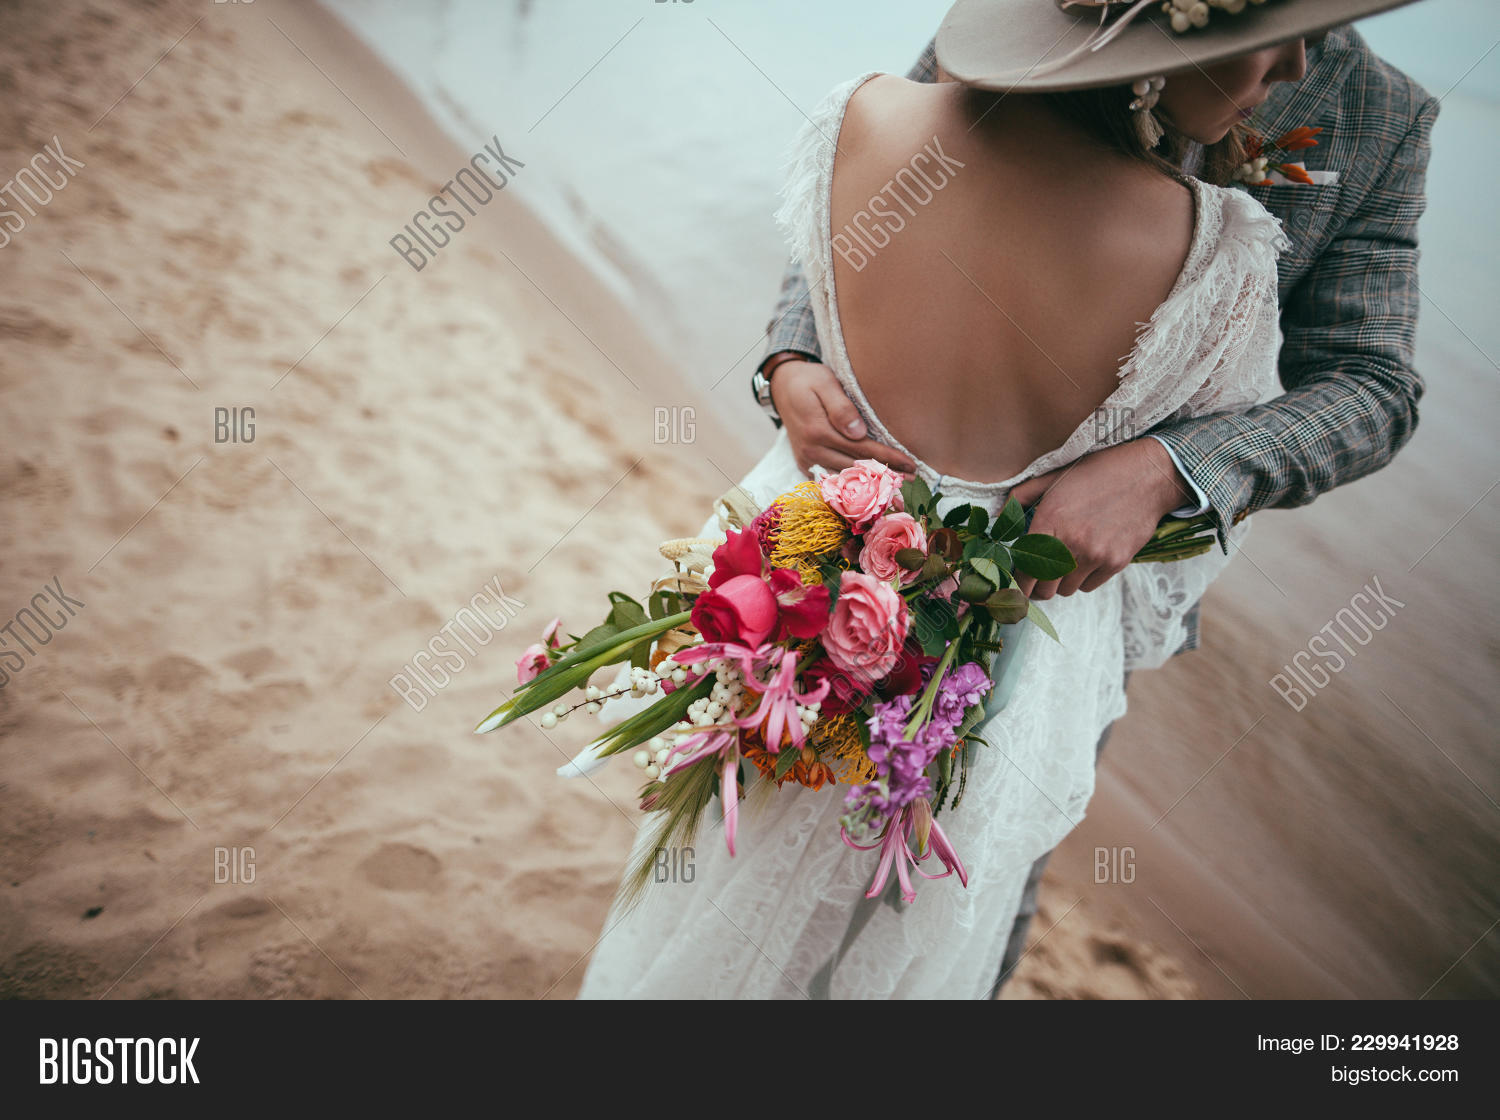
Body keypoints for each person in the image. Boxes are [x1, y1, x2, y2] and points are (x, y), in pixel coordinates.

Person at [577, 0, 1430, 999]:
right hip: (849, 522)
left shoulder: (1380, 117)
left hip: (1054, 601)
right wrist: (787, 360)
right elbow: (880, 203)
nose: (1288, 62)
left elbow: (1375, 384)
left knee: (964, 880)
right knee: (748, 815)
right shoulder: (1031, 19)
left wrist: (1167, 466)